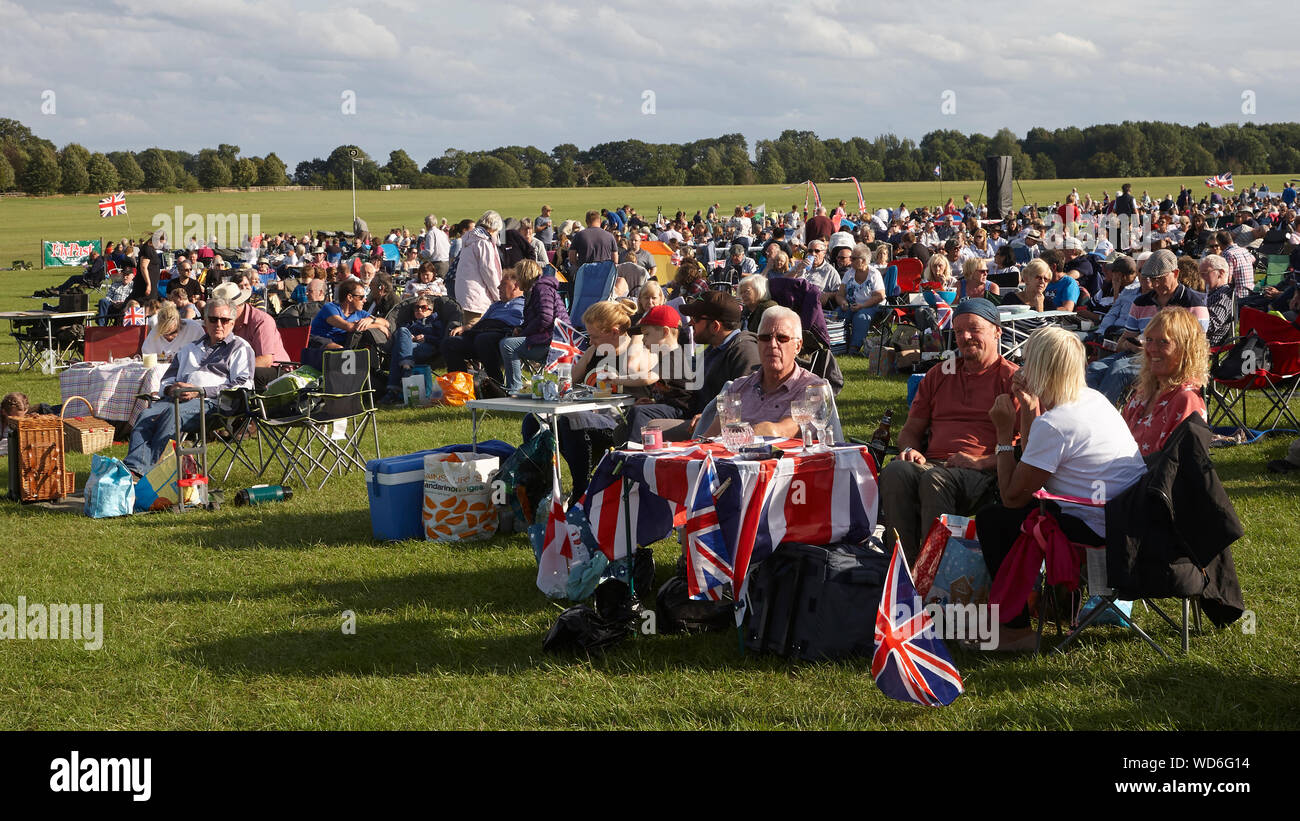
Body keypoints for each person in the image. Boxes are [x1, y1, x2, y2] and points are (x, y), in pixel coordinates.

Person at [977, 325, 1147, 650]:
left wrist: (1001, 435)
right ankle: (1059, 606)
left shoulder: (1057, 424)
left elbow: (1013, 497)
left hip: (1099, 528)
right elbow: (1033, 456)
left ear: (1042, 369)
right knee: (1028, 510)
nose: (1023, 370)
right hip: (1128, 517)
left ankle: (1017, 631)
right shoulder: (1091, 399)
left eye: (1028, 362)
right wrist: (1029, 409)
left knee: (995, 519)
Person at [877, 298, 1019, 562]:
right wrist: (909, 450)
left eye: (974, 329)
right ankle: (902, 565)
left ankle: (936, 571)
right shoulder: (939, 374)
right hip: (933, 463)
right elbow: (910, 430)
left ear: (997, 331)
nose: (965, 337)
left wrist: (981, 461)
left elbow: (1026, 448)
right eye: (959, 331)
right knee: (896, 470)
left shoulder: (1012, 379)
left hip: (983, 470)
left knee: (935, 480)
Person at [122, 298, 255, 478]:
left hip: (214, 404)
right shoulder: (190, 348)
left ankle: (149, 474)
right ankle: (133, 469)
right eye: (213, 319)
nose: (219, 324)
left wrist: (200, 391)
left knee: (172, 414)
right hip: (177, 398)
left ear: (232, 322)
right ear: (205, 321)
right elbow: (167, 379)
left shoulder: (239, 347)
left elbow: (243, 384)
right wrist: (170, 390)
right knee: (146, 415)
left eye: (224, 320)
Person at [1086, 249, 1208, 404]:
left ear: (1175, 273)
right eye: (1151, 279)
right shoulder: (1141, 302)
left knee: (1119, 369)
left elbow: (1196, 347)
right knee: (1094, 368)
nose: (1155, 284)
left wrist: (1154, 347)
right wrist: (1132, 344)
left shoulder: (1193, 303)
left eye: (1160, 279)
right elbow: (1123, 342)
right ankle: (1089, 413)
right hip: (1138, 355)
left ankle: (1102, 418)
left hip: (1174, 361)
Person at [703, 306, 821, 439]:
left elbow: (783, 431)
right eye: (765, 337)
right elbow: (710, 438)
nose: (772, 344)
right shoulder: (737, 388)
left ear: (798, 346)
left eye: (782, 338)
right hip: (728, 458)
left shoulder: (812, 388)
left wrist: (753, 432)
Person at [1120, 307, 1209, 456]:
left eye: (1163, 341)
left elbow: (1172, 464)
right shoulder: (1146, 391)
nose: (1152, 348)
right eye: (1149, 340)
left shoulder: (1186, 399)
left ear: (1185, 349)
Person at [440, 267, 525, 385]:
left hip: (504, 336)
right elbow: (481, 323)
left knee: (483, 339)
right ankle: (461, 386)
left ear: (515, 286)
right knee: (450, 343)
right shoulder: (496, 305)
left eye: (503, 284)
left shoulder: (524, 304)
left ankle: (496, 384)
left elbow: (528, 323)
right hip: (481, 333)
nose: (498, 288)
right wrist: (466, 327)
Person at [500, 260, 570, 392]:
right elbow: (538, 318)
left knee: (508, 345)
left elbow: (545, 318)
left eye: (517, 277)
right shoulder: (535, 290)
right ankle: (512, 388)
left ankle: (514, 390)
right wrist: (522, 328)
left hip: (555, 341)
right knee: (507, 341)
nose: (516, 282)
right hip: (547, 337)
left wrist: (524, 332)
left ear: (524, 275)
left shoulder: (541, 289)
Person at [211, 281, 291, 390]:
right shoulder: (224, 322)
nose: (218, 319)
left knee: (254, 374)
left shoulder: (261, 321)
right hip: (238, 367)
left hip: (277, 370)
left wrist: (229, 369)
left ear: (236, 306)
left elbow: (265, 360)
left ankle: (241, 405)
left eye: (222, 311)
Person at [455, 211, 505, 325]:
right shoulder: (483, 242)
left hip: (466, 294)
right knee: (474, 328)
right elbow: (489, 271)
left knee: (467, 324)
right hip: (477, 296)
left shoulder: (471, 238)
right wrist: (499, 295)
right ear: (493, 229)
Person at [836, 243, 886, 355]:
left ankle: (854, 348)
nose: (850, 260)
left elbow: (880, 296)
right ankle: (838, 345)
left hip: (872, 306)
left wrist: (862, 306)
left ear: (863, 260)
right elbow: (839, 294)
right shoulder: (849, 273)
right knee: (837, 313)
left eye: (853, 258)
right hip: (851, 305)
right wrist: (843, 302)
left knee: (861, 317)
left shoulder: (874, 274)